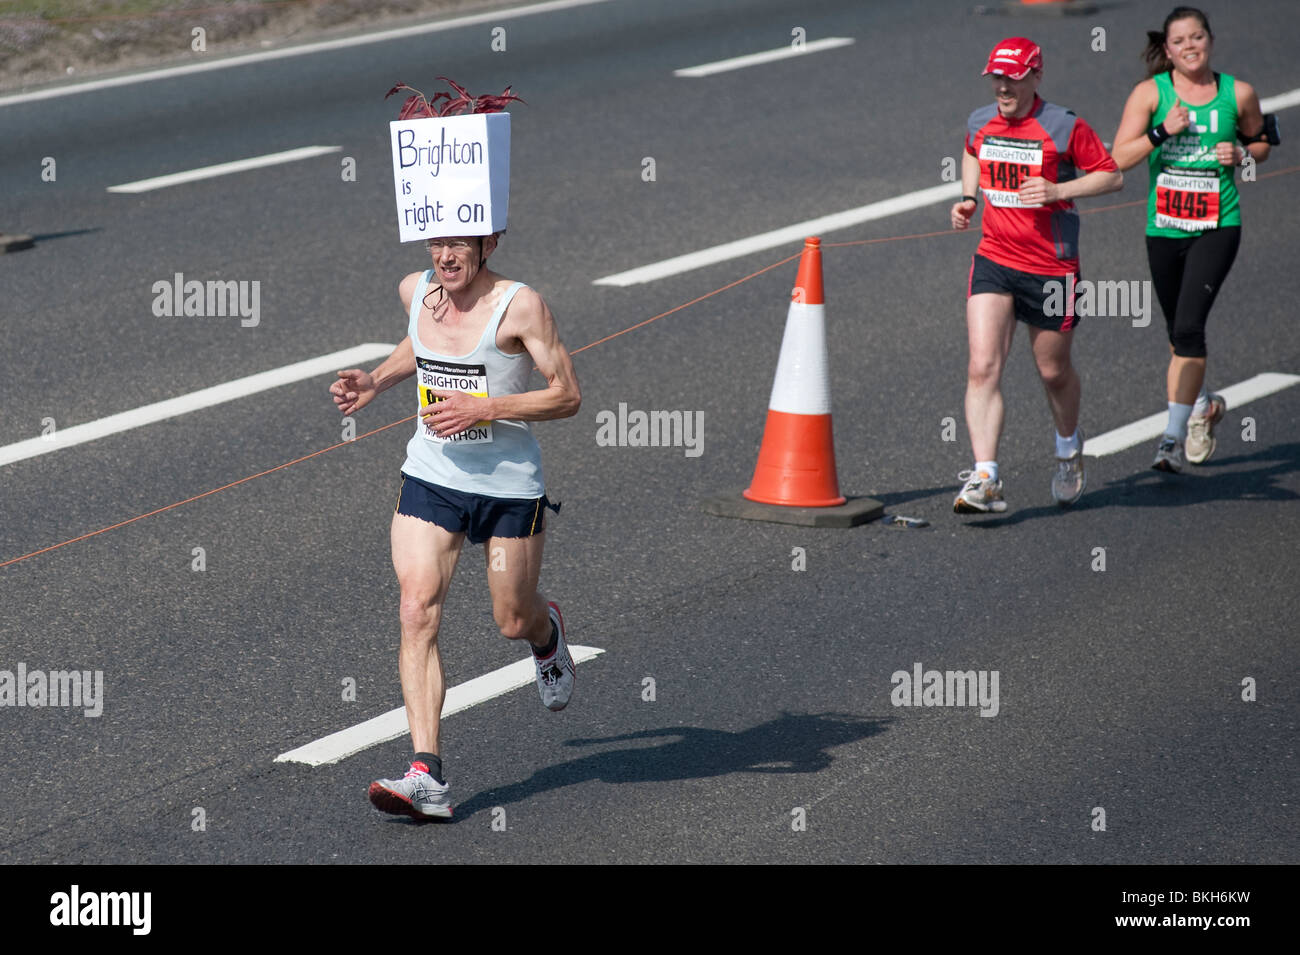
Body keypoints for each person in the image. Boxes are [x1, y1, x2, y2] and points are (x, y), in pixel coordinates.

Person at [330, 232, 582, 819]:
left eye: (459, 246)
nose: (445, 257)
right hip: (433, 475)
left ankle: (545, 637)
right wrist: (376, 380)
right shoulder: (416, 291)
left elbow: (567, 395)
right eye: (436, 244)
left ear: (488, 242)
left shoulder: (520, 306)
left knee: (511, 617)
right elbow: (423, 342)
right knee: (416, 607)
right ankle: (427, 775)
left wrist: (486, 406)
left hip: (507, 487)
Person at [950, 38, 1123, 513]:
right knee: (982, 366)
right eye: (997, 78)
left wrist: (1057, 189)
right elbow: (970, 151)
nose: (1003, 87)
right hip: (994, 258)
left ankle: (1068, 448)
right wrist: (969, 196)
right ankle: (986, 477)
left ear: (1034, 77)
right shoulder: (980, 120)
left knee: (1052, 370)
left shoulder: (1064, 126)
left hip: (1051, 268)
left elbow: (1112, 176)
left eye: (1013, 78)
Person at [1110, 7, 1274, 472]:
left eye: (1196, 37)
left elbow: (1261, 145)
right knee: (1175, 334)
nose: (1189, 47)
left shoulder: (1237, 93)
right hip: (1163, 227)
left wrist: (1242, 153)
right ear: (1168, 50)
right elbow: (1117, 159)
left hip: (1217, 225)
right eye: (1179, 41)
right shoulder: (1150, 94)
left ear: (1210, 40)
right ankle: (1203, 405)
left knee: (1188, 330)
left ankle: (1172, 438)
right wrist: (1163, 131)